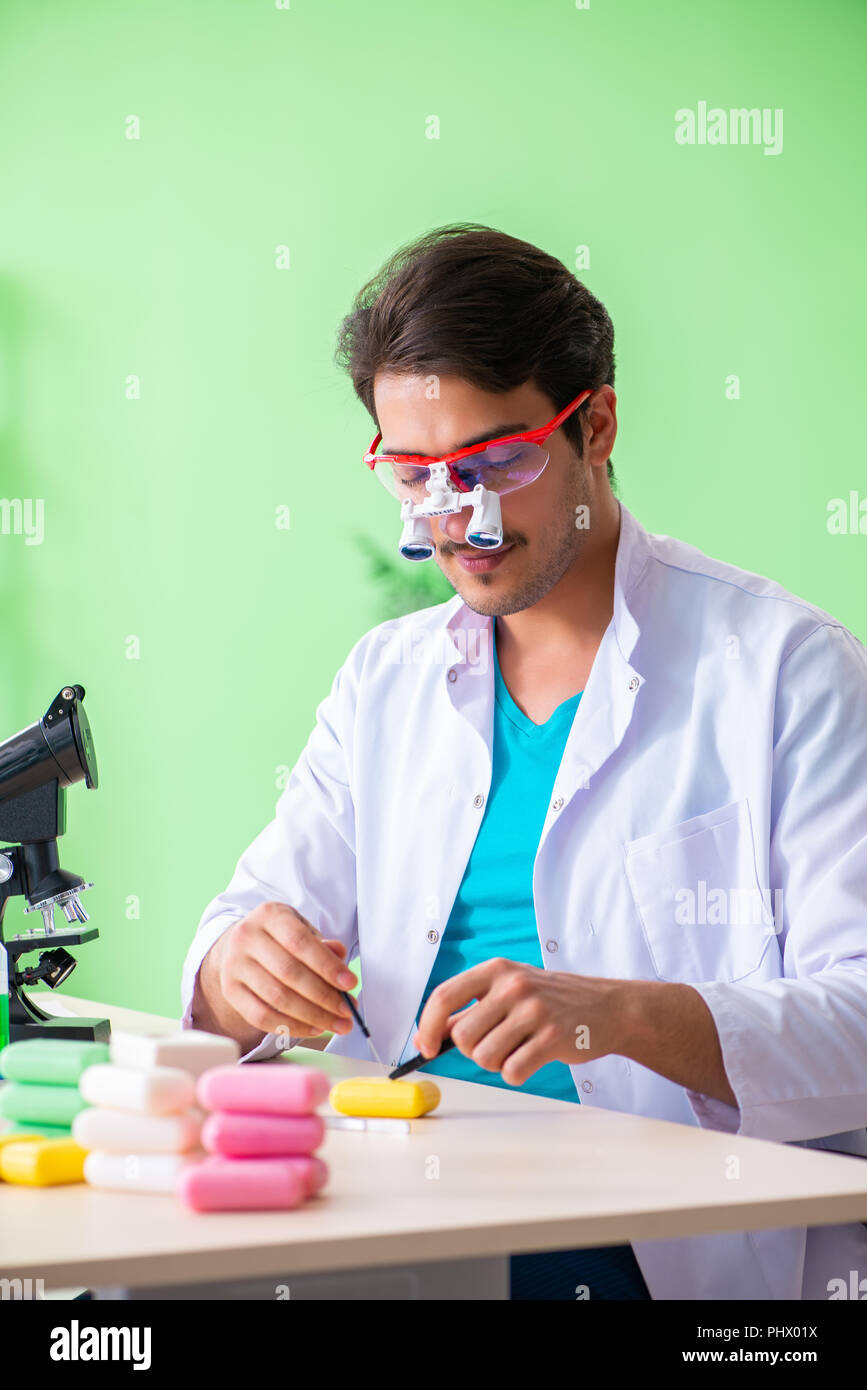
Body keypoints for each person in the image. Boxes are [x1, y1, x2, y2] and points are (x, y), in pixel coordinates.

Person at [182, 223, 867, 1300]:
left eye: (498, 462)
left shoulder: (785, 670)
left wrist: (624, 1013)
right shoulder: (384, 682)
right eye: (416, 475)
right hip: (404, 1249)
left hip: (670, 1274)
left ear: (594, 425)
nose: (461, 518)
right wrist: (237, 970)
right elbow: (237, 941)